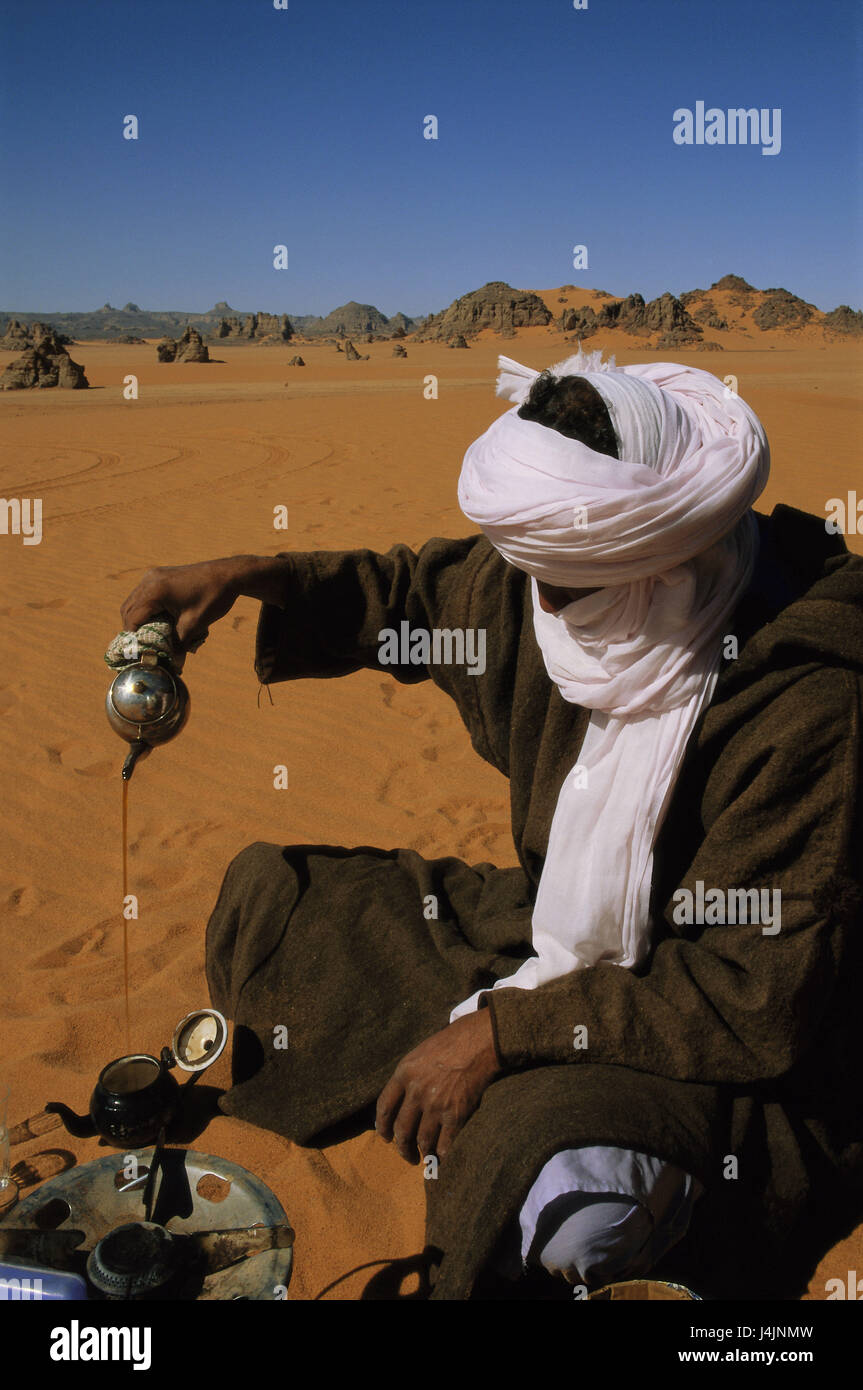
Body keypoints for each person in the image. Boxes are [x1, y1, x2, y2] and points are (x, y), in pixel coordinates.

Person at [119, 350, 863, 1300]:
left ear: (665, 559)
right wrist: (251, 574)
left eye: (562, 583)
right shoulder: (564, 574)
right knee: (279, 897)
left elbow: (752, 992)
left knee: (553, 1187)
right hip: (561, 925)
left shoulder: (807, 699)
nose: (536, 603)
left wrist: (504, 1034)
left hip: (724, 1025)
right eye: (531, 574)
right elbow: (419, 595)